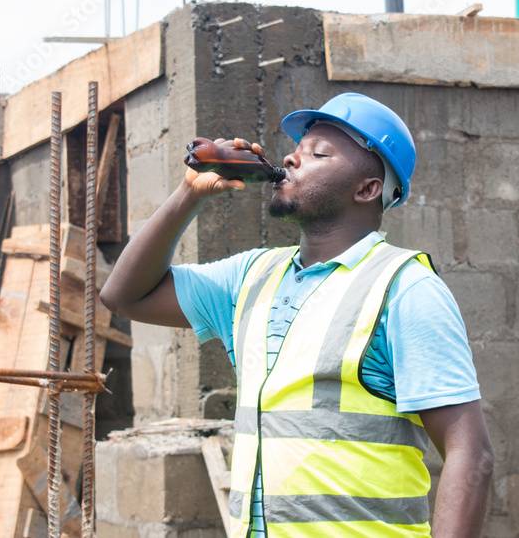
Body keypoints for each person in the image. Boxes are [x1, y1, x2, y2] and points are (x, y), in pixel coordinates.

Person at [100, 92, 494, 537]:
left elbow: (470, 454)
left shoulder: (404, 287)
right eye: (296, 148)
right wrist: (188, 193)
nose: (290, 157)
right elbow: (123, 297)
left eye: (318, 153)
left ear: (366, 189)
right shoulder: (251, 275)